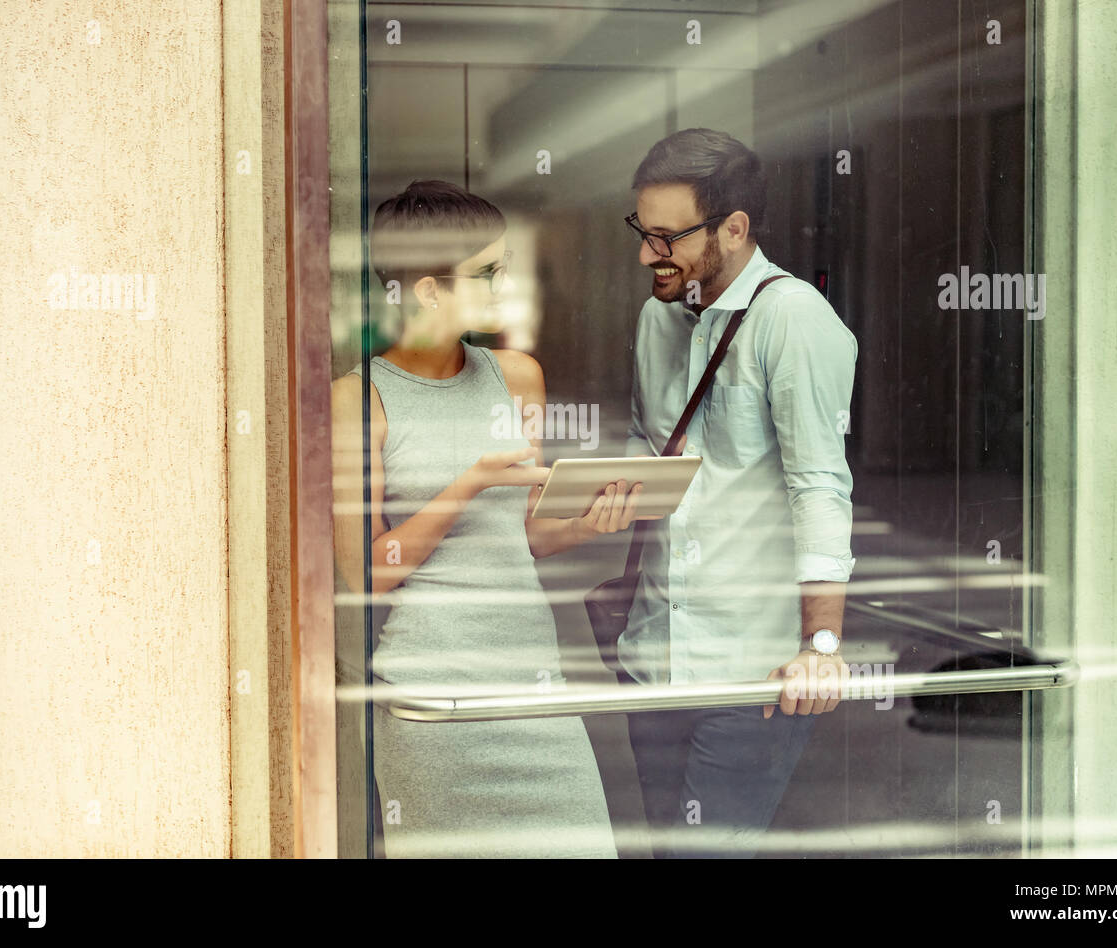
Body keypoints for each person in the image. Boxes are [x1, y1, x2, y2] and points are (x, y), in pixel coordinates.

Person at [331, 180, 647, 858]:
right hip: (431, 697)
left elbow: (523, 533)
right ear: (427, 290)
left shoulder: (518, 376)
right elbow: (366, 572)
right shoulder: (358, 400)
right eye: (487, 273)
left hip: (532, 680)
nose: (505, 286)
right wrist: (469, 481)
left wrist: (592, 523)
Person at [619, 129, 858, 857]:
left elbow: (819, 486)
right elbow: (648, 440)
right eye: (641, 231)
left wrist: (820, 646)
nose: (645, 256)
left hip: (748, 676)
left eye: (665, 238)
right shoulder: (659, 313)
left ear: (734, 228)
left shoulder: (793, 320)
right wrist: (613, 489)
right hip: (651, 661)